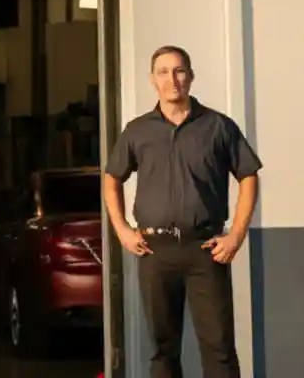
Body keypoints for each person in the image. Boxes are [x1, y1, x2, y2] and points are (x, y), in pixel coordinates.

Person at [102, 45, 262, 377]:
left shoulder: (218, 127)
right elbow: (111, 178)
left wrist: (236, 235)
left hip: (206, 250)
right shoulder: (137, 131)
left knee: (219, 348)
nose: (172, 79)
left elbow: (248, 175)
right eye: (163, 72)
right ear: (152, 80)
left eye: (179, 71)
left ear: (190, 76)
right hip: (155, 251)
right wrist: (121, 229)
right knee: (164, 349)